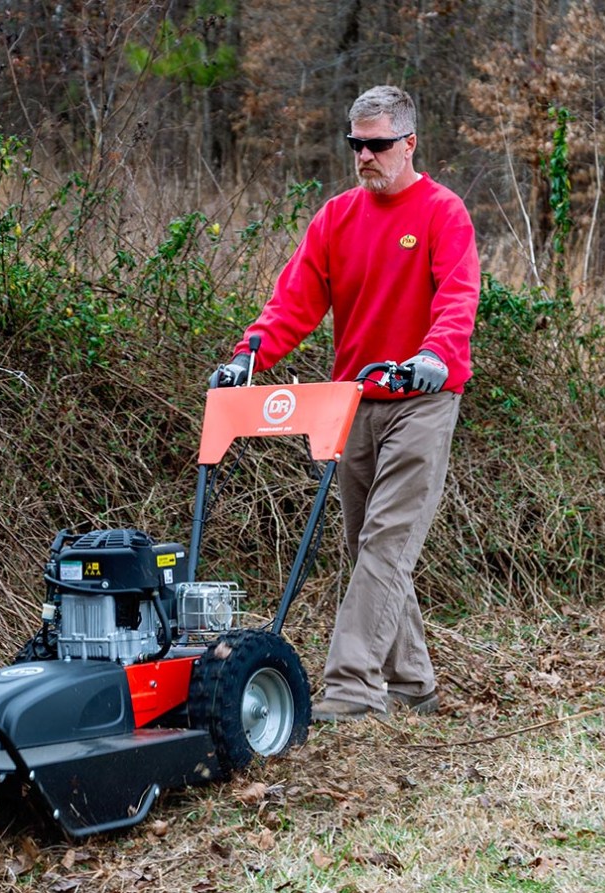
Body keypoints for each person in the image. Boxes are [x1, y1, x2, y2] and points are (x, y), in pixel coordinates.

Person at [210, 85, 480, 721]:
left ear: (409, 143)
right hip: (353, 402)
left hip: (424, 398)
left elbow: (457, 299)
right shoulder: (335, 218)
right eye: (356, 144)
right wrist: (249, 358)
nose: (365, 155)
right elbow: (293, 304)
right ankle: (414, 683)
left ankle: (353, 690)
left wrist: (434, 357)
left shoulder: (444, 213)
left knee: (387, 545)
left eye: (378, 144)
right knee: (367, 548)